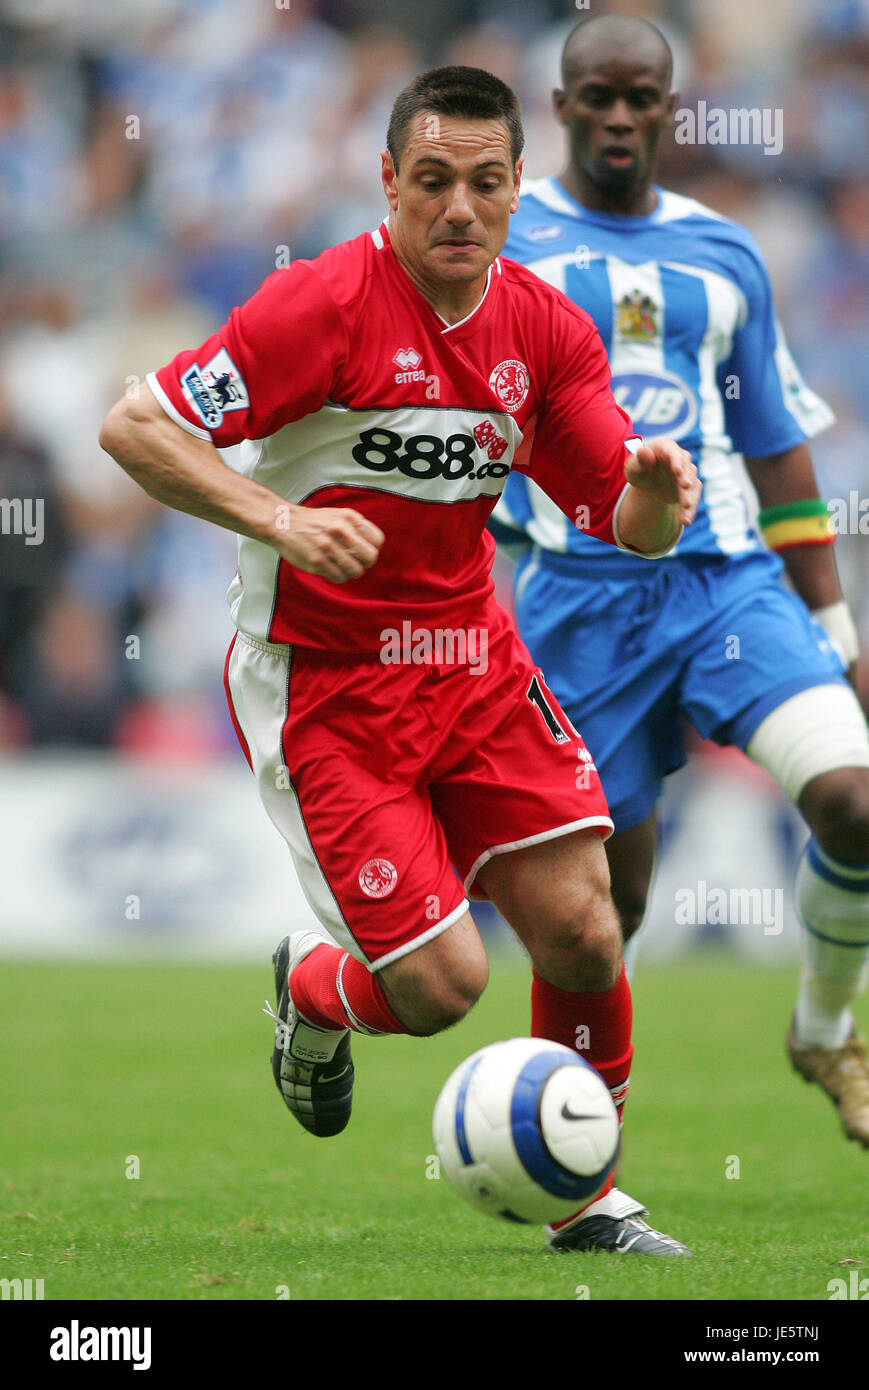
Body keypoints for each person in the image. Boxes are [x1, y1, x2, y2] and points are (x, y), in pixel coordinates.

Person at [99, 65, 700, 1255]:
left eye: (484, 182)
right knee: (440, 990)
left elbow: (617, 515)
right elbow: (135, 426)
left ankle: (586, 1201)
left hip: (470, 666)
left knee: (583, 924)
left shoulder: (544, 330)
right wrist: (278, 520)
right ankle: (309, 995)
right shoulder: (317, 306)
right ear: (387, 182)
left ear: (520, 186)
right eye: (432, 182)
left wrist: (652, 495)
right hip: (325, 686)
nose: (459, 209)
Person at [491, 15, 869, 1150]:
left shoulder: (724, 249)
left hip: (724, 583)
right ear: (558, 107)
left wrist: (836, 623)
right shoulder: (501, 242)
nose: (616, 116)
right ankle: (575, 1153)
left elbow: (776, 446)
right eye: (594, 96)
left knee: (853, 800)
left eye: (638, 98)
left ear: (668, 109)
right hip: (577, 600)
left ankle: (824, 1029)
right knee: (606, 913)